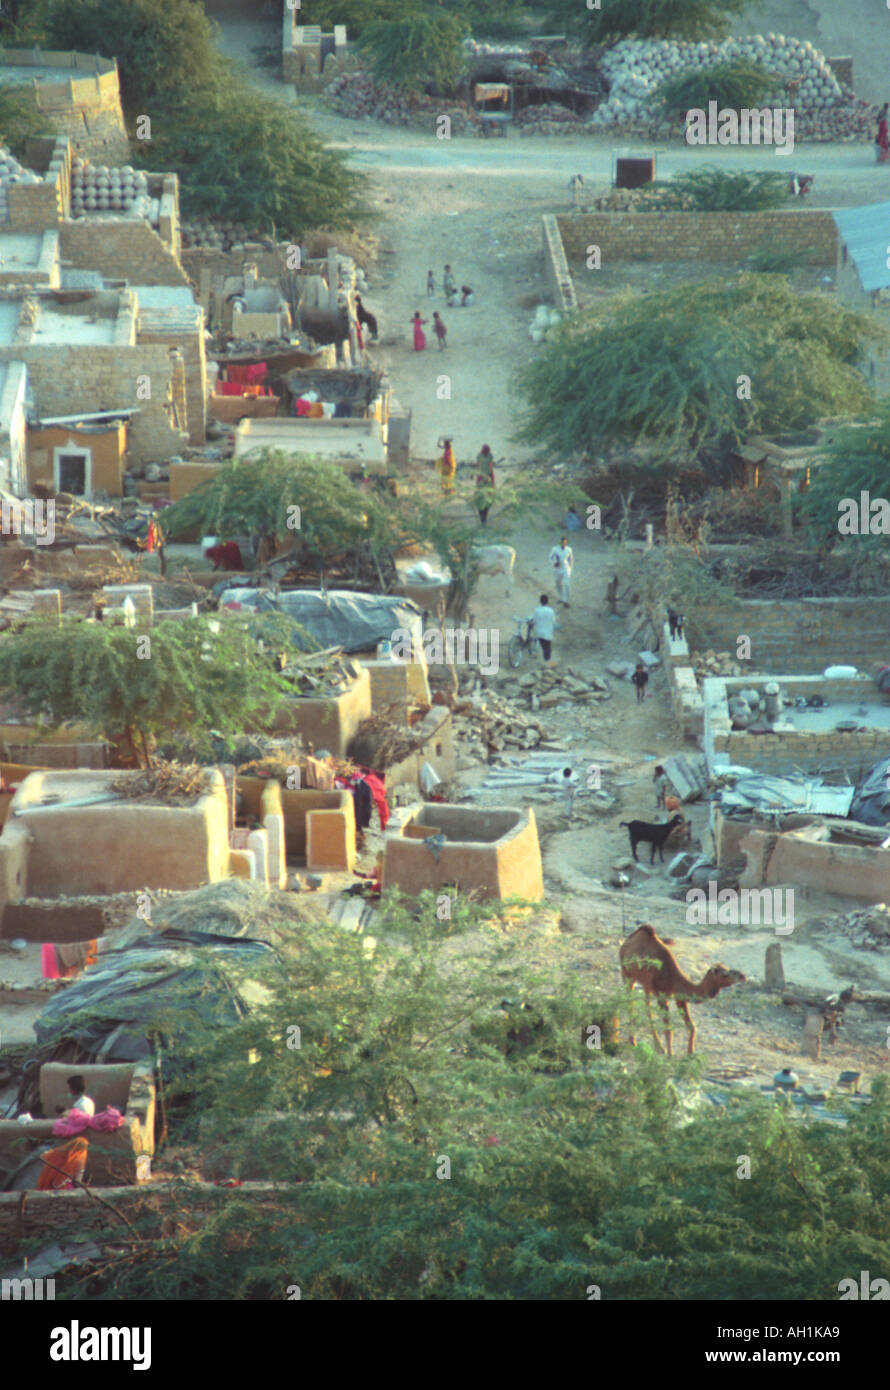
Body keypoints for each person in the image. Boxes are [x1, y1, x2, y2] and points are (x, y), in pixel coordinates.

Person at [549, 536, 574, 606]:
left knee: (566, 584)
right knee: (558, 583)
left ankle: (566, 601)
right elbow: (550, 557)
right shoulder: (555, 549)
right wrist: (554, 563)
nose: (563, 544)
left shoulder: (569, 549)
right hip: (557, 569)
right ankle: (561, 597)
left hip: (566, 569)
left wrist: (570, 569)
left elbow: (571, 560)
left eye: (564, 543)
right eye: (562, 543)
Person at [474, 444, 496, 524]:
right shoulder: (483, 456)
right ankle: (483, 518)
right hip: (483, 480)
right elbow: (479, 467)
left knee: (484, 499)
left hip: (484, 480)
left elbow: (489, 469)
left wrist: (492, 481)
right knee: (483, 499)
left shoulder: (486, 456)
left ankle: (483, 518)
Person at [532, 594, 556, 663]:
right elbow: (553, 621)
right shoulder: (551, 611)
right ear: (547, 602)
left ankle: (546, 661)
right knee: (547, 648)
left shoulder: (537, 610)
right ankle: (547, 662)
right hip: (548, 633)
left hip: (539, 633)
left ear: (540, 601)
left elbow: (534, 621)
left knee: (544, 647)